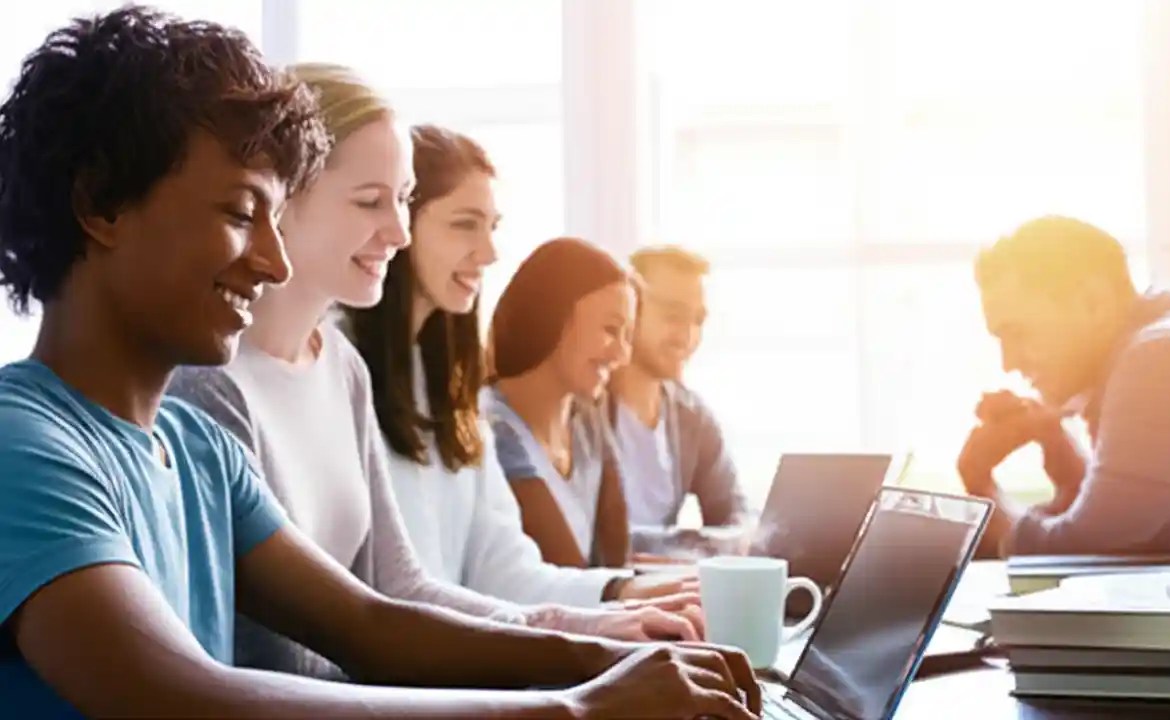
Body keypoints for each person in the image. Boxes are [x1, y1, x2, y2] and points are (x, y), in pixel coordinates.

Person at [0, 9, 759, 718]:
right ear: (101, 204)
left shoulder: (198, 452)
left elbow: (371, 621)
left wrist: (605, 658)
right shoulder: (21, 446)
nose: (271, 261)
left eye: (274, 216)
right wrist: (579, 707)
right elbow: (181, 696)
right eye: (240, 214)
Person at [169, 66, 706, 680]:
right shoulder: (211, 383)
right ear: (280, 198)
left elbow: (404, 586)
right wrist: (573, 663)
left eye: (402, 199)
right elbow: (288, 656)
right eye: (372, 201)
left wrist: (592, 628)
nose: (398, 231)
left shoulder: (340, 368)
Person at [347, 125, 696, 607]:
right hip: (409, 674)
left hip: (455, 665)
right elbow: (406, 601)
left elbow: (508, 573)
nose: (489, 252)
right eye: (464, 224)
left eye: (492, 227)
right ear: (401, 224)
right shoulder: (342, 372)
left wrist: (631, 592)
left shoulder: (451, 394)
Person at [957, 215, 1170, 578]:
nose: (1008, 362)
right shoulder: (1159, 337)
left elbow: (1099, 550)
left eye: (1019, 334)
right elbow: (1131, 528)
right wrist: (1058, 448)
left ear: (1094, 302)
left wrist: (984, 494)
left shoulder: (1166, 357)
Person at [486, 238, 636, 569]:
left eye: (629, 336)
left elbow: (614, 563)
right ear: (552, 318)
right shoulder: (493, 429)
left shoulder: (587, 421)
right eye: (611, 330)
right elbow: (567, 569)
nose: (623, 355)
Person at [606, 245, 750, 535]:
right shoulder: (581, 409)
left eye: (697, 320)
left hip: (666, 576)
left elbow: (736, 514)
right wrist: (685, 543)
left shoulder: (692, 417)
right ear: (630, 307)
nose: (687, 337)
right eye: (673, 316)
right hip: (602, 579)